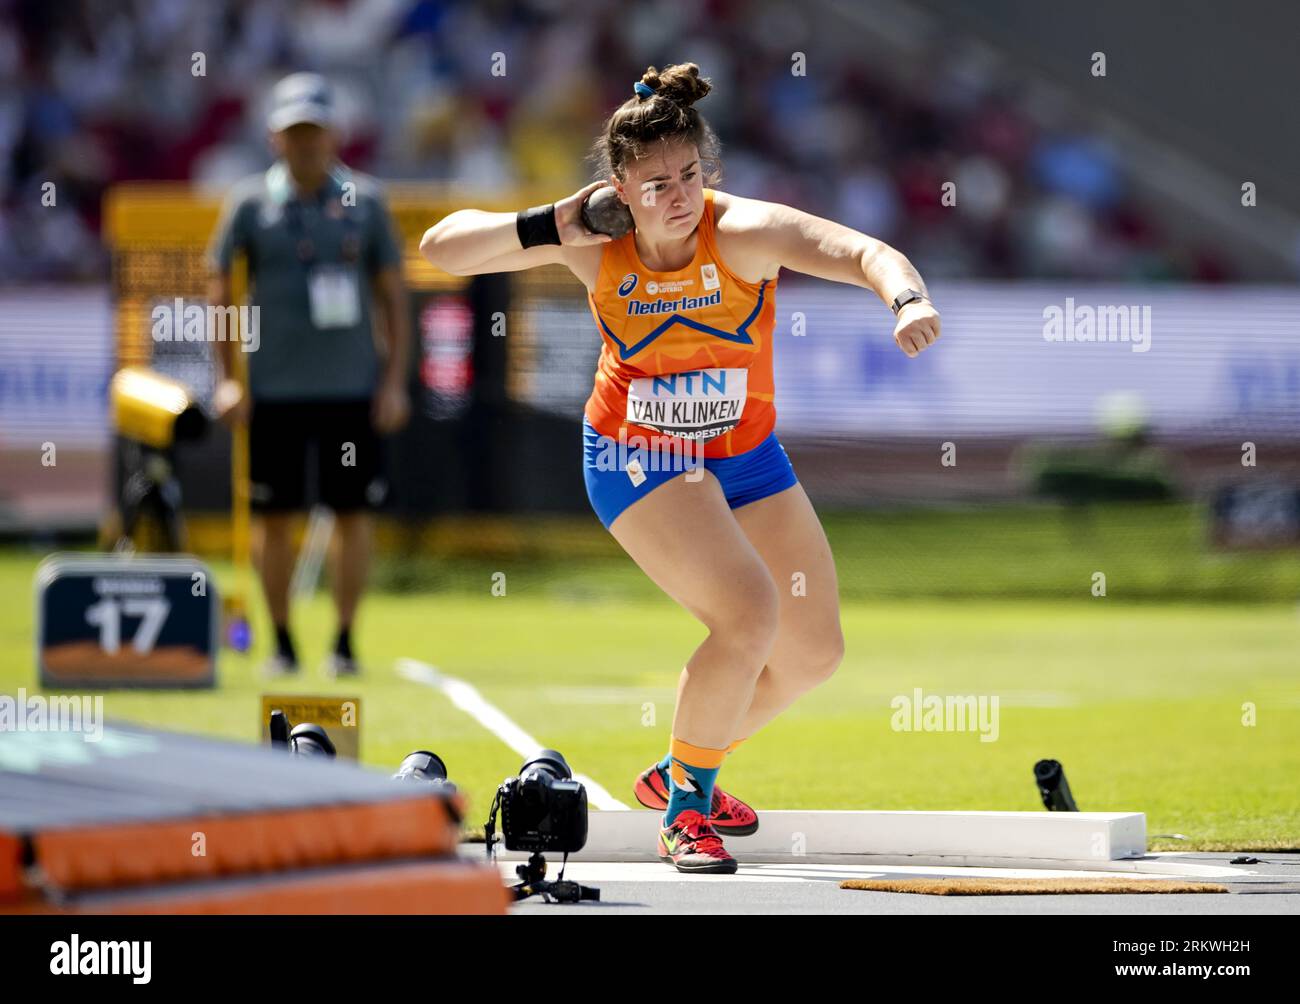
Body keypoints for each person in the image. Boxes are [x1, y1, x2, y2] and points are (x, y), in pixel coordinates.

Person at [419, 63, 940, 873]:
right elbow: (440, 249)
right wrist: (556, 219)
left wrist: (906, 300)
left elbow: (865, 250)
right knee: (747, 612)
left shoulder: (743, 234)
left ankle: (676, 771)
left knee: (814, 652)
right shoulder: (594, 245)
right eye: (655, 182)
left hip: (744, 454)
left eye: (690, 175)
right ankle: (689, 807)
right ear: (618, 187)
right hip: (639, 455)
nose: (679, 195)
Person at [207, 72, 411, 678]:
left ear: (334, 135)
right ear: (275, 137)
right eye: (294, 132)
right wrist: (228, 377)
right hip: (272, 391)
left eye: (314, 132)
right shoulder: (249, 204)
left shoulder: (366, 202)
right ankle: (281, 641)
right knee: (273, 518)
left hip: (350, 390)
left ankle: (345, 642)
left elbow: (393, 298)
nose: (305, 143)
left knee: (352, 515)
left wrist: (394, 380)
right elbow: (219, 293)